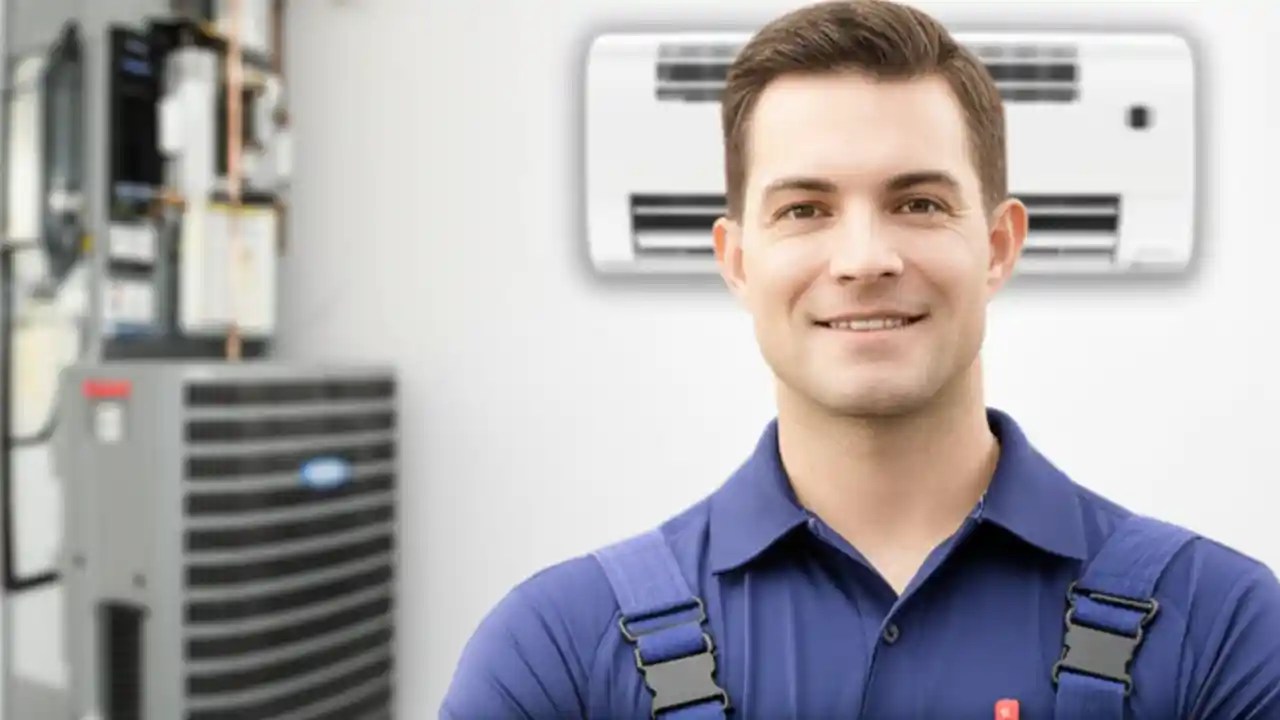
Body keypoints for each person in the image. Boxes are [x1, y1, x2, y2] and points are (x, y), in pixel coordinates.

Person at [440, 1, 1280, 717]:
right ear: (736, 261)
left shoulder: (1223, 628)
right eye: (805, 209)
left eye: (917, 202)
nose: (864, 257)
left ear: (997, 246)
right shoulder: (555, 651)